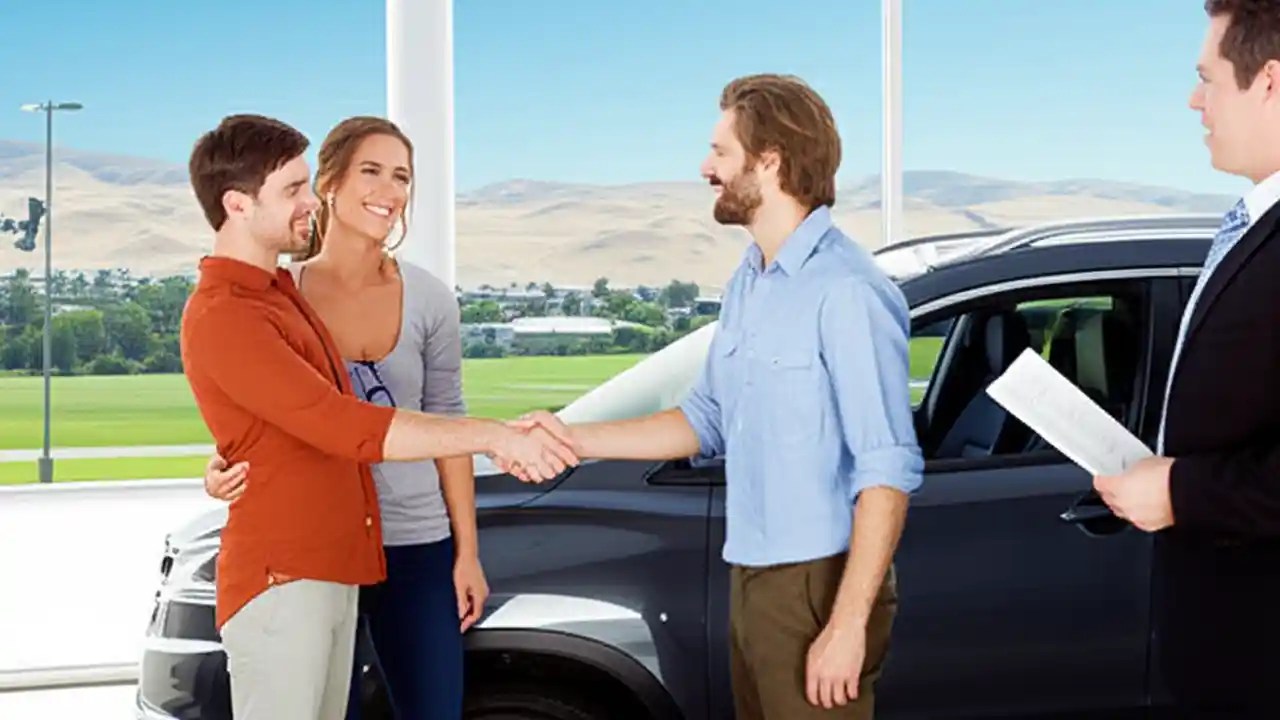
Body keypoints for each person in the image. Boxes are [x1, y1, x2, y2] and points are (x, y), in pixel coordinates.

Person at [510, 74, 922, 719]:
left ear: (771, 161)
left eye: (721, 153)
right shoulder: (750, 281)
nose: (707, 168)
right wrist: (570, 437)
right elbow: (705, 419)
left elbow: (887, 471)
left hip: (817, 582)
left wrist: (845, 627)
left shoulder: (847, 291)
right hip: (752, 572)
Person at [181, 113, 576, 720]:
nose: (389, 191)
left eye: (403, 177)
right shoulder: (256, 301)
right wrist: (498, 437)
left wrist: (464, 551)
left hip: (382, 547)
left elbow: (309, 412)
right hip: (303, 558)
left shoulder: (283, 296)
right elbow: (334, 420)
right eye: (296, 188)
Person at [1091, 1, 1280, 715]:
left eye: (1208, 79)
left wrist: (1181, 492)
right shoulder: (1248, 223)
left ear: (1268, 81)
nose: (1193, 99)